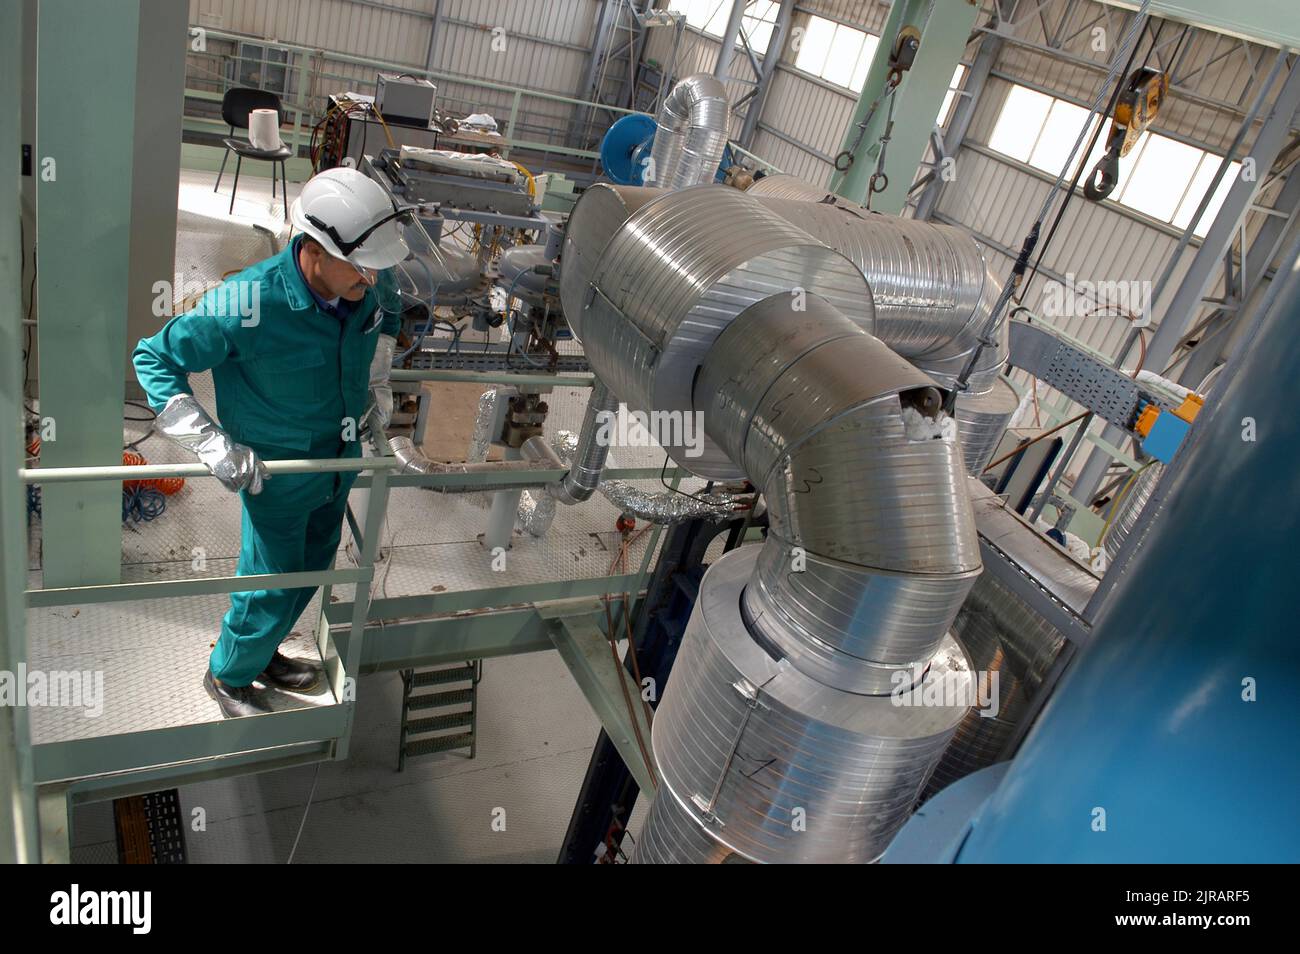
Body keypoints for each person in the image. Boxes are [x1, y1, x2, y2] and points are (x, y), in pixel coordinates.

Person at [134, 167, 410, 718]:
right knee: (271, 581)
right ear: (313, 249)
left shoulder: (369, 287)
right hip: (278, 477)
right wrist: (212, 445)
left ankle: (263, 654)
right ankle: (228, 675)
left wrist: (376, 383)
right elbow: (155, 358)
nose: (373, 280)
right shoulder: (249, 302)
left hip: (338, 466)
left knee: (311, 566)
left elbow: (387, 318)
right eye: (360, 267)